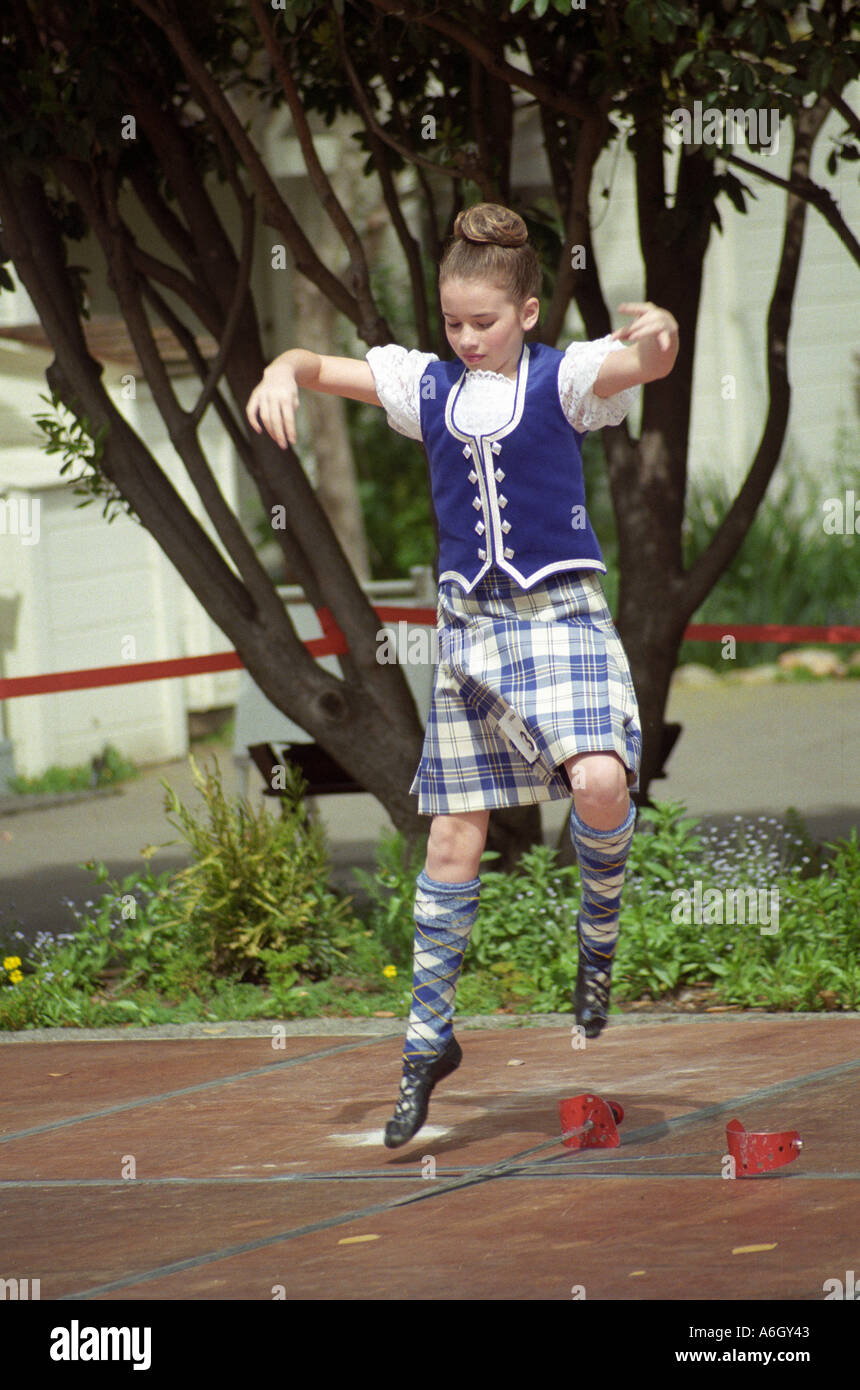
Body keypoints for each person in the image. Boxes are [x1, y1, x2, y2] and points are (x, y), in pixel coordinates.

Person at [247, 202, 679, 1149]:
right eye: (452, 322)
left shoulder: (563, 379)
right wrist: (283, 368)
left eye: (483, 322)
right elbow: (321, 368)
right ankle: (425, 1042)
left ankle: (596, 941)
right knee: (451, 841)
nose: (466, 338)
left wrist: (661, 334)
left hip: (562, 619)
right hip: (472, 634)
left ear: (527, 312)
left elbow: (646, 362)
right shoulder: (424, 387)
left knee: (601, 782)